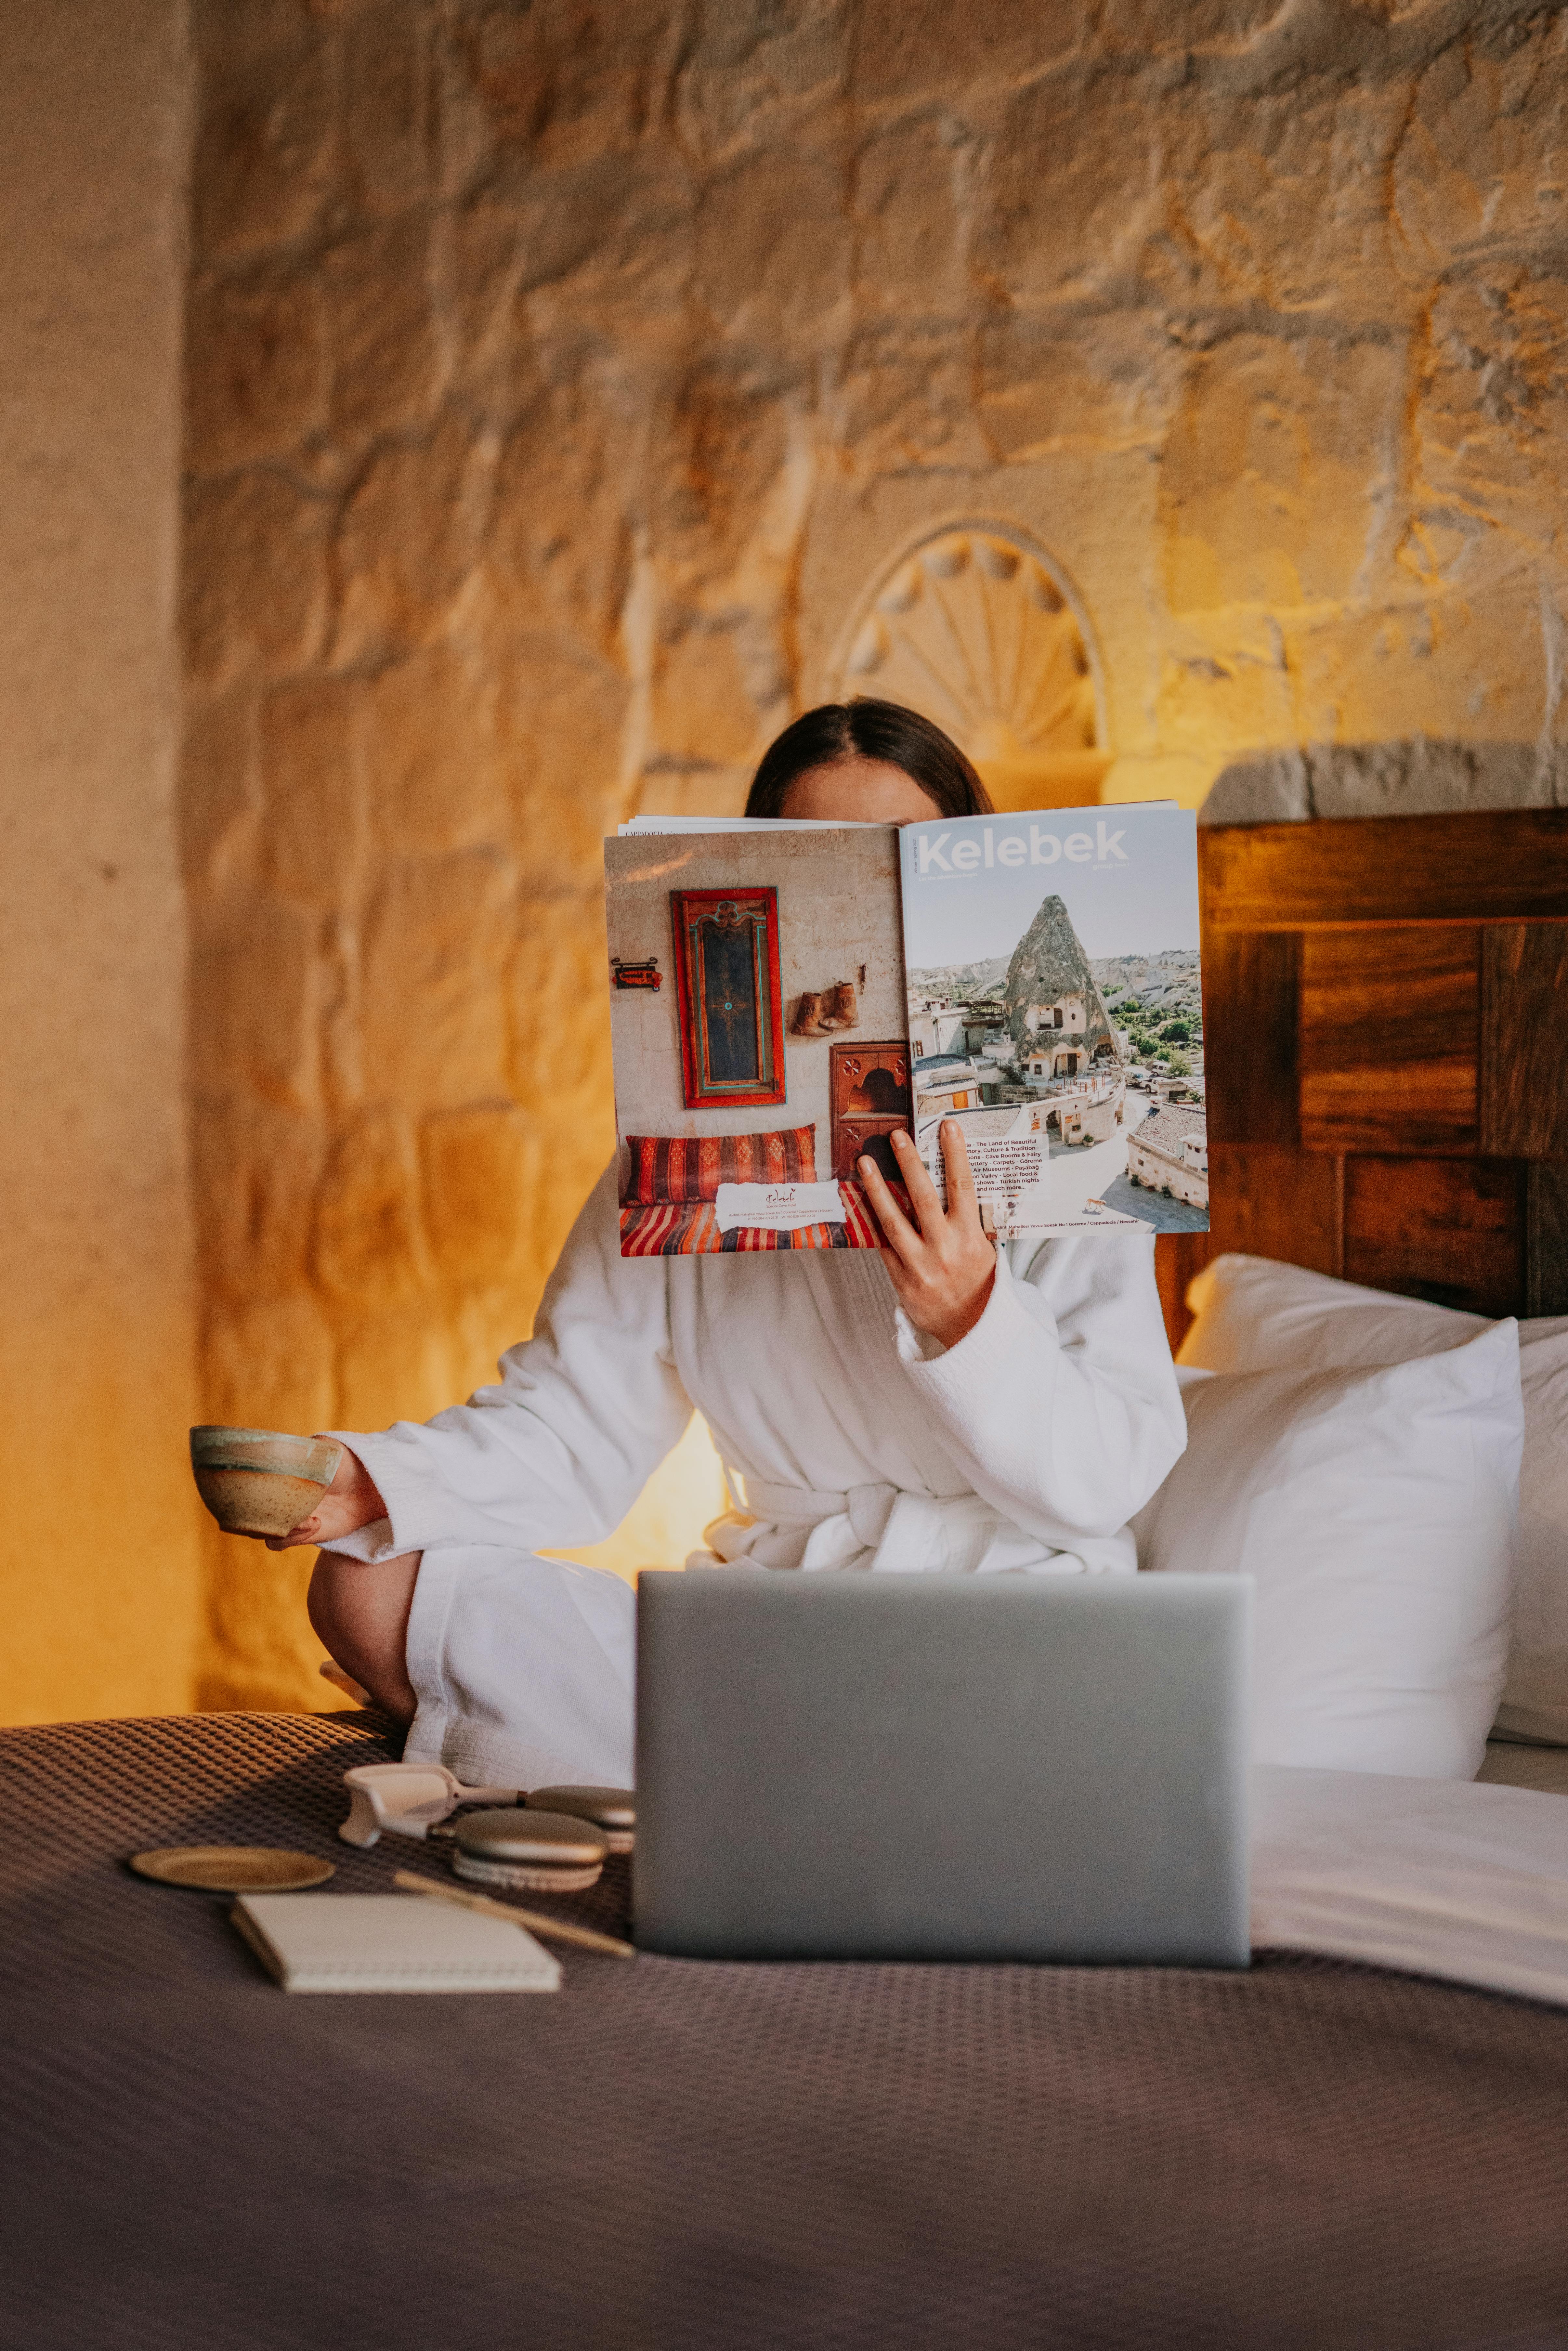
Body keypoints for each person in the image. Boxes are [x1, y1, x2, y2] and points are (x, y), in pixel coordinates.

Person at [267, 699, 1186, 1789]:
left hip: (1008, 1633)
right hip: (774, 1634)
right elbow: (571, 1426)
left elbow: (1110, 1480)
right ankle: (795, 1788)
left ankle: (751, 1791)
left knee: (961, 1738)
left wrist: (971, 1315)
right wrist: (380, 1482)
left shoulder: (1063, 1164)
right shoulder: (676, 1167)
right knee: (369, 1584)